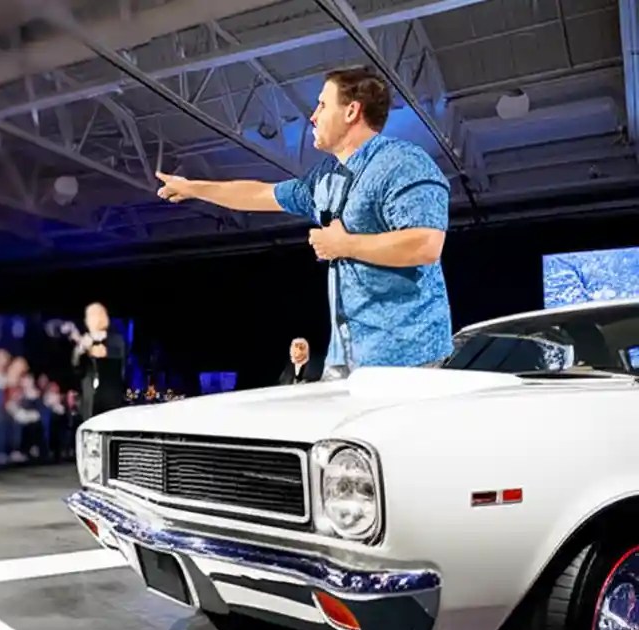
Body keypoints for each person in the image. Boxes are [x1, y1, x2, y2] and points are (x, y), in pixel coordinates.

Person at [155, 65, 453, 376]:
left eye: (323, 105)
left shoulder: (403, 162)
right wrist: (193, 188)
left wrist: (344, 244)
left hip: (405, 356)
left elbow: (425, 243)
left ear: (351, 111)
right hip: (345, 358)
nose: (312, 116)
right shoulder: (324, 178)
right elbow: (260, 195)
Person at [72, 302, 126, 419]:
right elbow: (76, 369)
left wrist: (91, 342)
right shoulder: (84, 341)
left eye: (90, 316)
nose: (86, 320)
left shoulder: (115, 340)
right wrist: (79, 351)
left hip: (109, 401)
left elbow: (107, 354)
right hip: (89, 401)